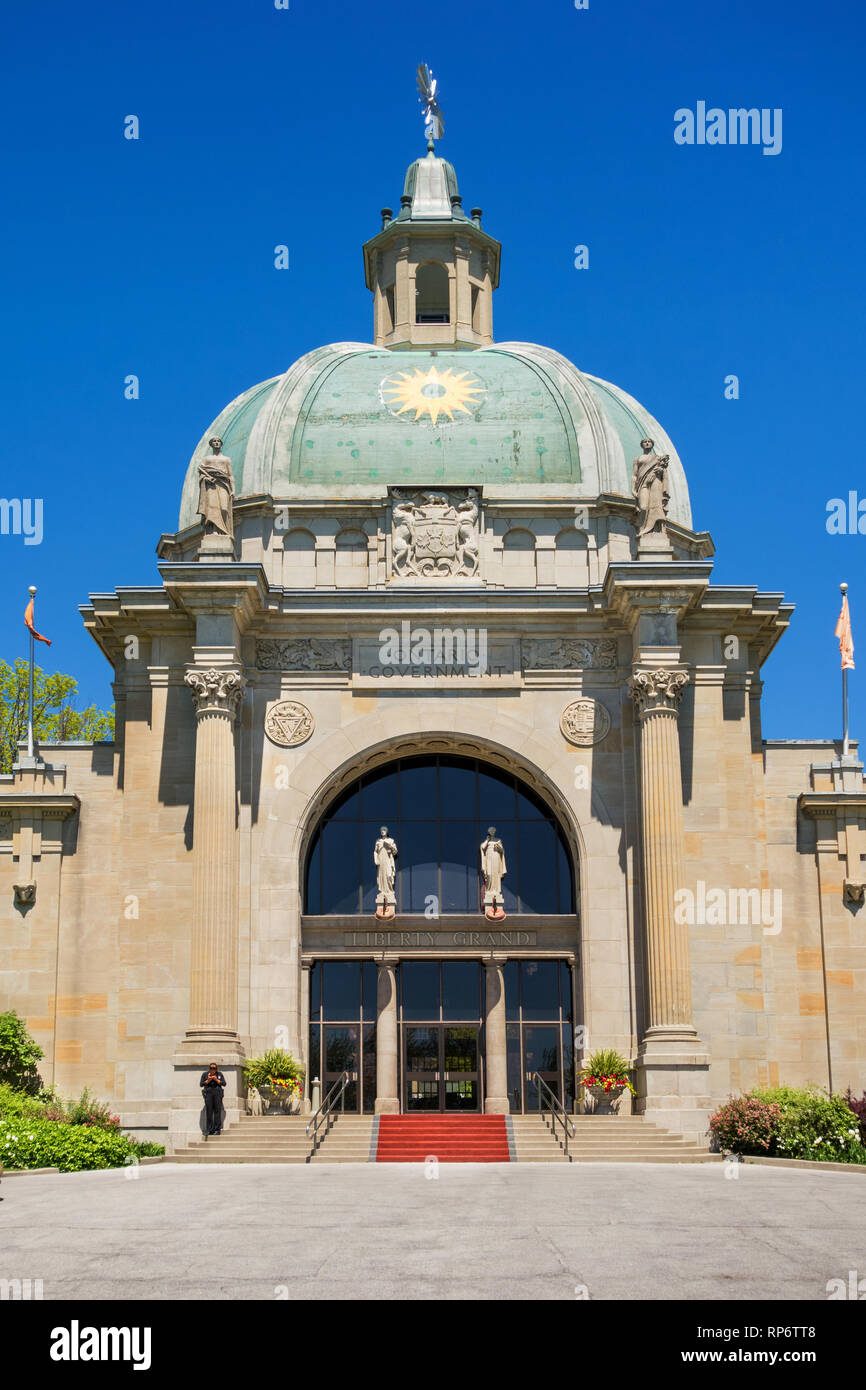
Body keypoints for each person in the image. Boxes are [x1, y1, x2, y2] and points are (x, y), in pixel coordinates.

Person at [200, 1062, 226, 1136]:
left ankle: (217, 1129)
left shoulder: (219, 1074)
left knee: (217, 1111)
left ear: (216, 1069)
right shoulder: (205, 1074)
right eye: (211, 1068)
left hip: (217, 1093)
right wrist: (208, 1080)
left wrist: (216, 1079)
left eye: (214, 1068)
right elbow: (201, 1084)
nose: (212, 1069)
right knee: (209, 1111)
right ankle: (210, 1130)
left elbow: (224, 1084)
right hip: (208, 1094)